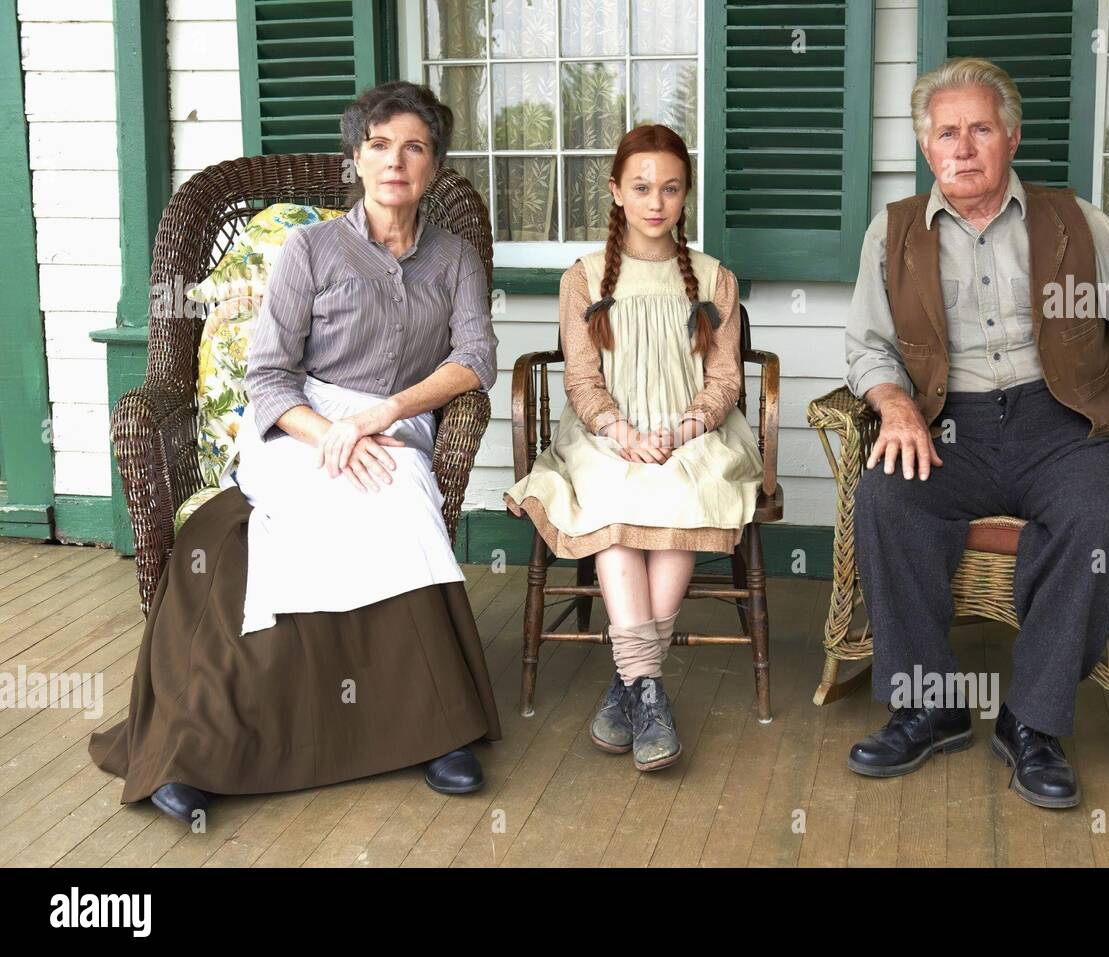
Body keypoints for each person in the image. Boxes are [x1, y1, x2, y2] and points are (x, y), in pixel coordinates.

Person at [88, 81, 502, 825]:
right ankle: (199, 747)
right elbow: (268, 376)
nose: (395, 162)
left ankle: (438, 730)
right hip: (299, 421)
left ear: (435, 166)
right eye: (378, 146)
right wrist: (329, 432)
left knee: (402, 503)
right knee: (286, 526)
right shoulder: (311, 250)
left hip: (397, 420)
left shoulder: (456, 259)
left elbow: (475, 357)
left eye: (414, 147)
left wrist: (384, 414)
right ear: (357, 159)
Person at [843, 58, 1109, 808]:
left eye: (981, 129)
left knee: (1099, 512)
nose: (964, 147)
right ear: (925, 147)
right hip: (947, 424)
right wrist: (895, 403)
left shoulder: (1076, 222)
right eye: (948, 132)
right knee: (884, 497)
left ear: (1010, 138)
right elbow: (868, 346)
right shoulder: (895, 231)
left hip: (1062, 422)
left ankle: (1033, 721)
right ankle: (930, 703)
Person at [504, 124, 763, 772]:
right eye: (642, 186)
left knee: (680, 486)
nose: (657, 201)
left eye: (671, 188)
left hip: (692, 431)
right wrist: (622, 433)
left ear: (685, 196)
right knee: (613, 497)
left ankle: (630, 686)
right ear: (616, 191)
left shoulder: (710, 278)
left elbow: (725, 380)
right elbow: (584, 381)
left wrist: (680, 430)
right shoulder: (586, 278)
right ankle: (648, 688)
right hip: (606, 433)